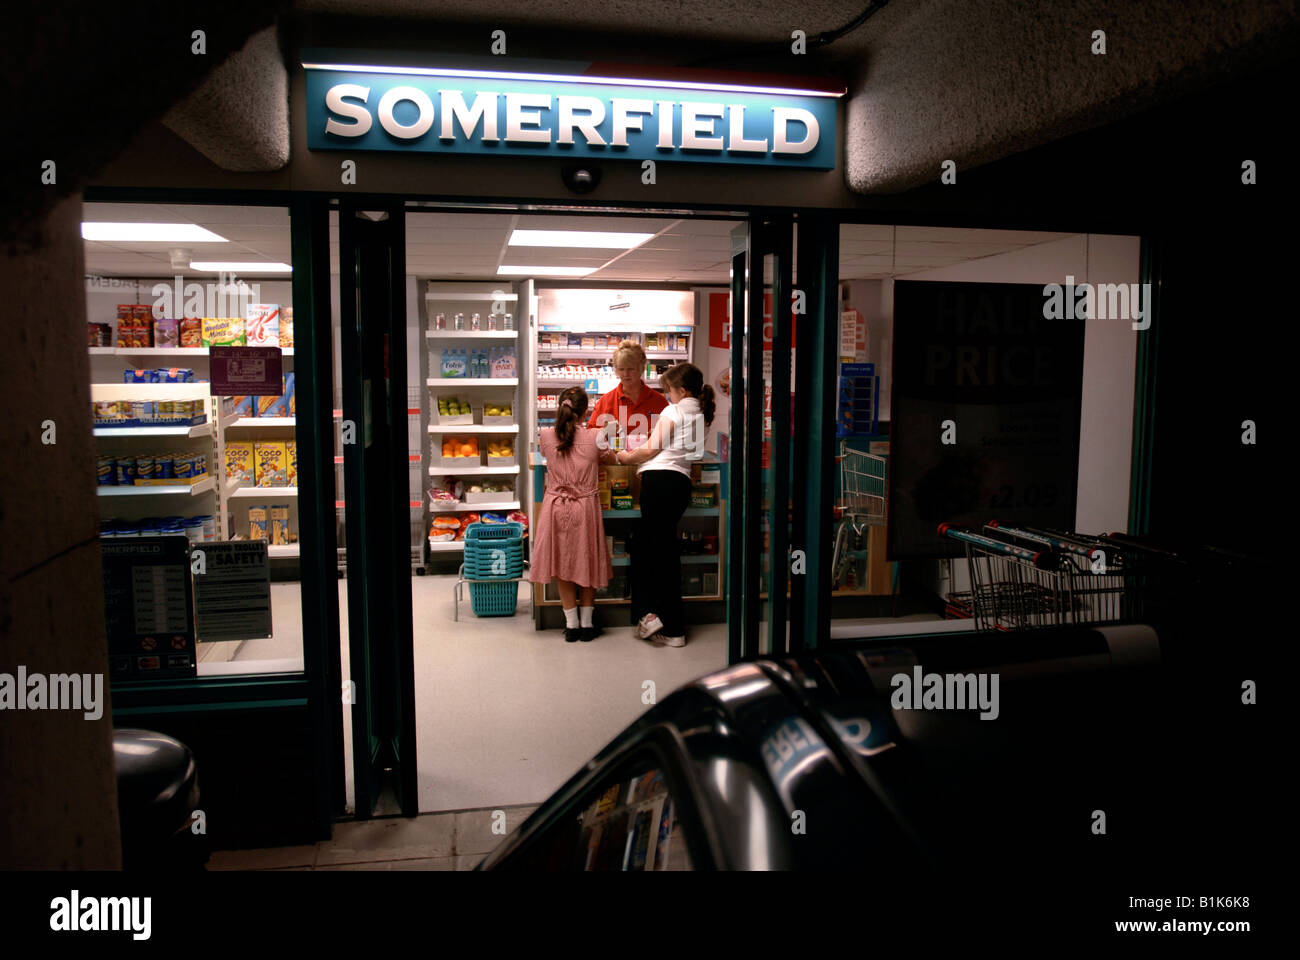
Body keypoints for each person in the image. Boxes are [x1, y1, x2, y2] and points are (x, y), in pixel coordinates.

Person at [613, 362, 715, 647]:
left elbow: (650, 449)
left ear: (681, 390)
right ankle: (669, 625)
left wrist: (623, 457)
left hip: (659, 484)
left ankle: (659, 621)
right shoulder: (701, 414)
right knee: (663, 550)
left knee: (653, 553)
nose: (667, 395)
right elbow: (692, 458)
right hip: (679, 485)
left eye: (669, 390)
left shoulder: (675, 410)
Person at [529, 386, 615, 642]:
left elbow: (547, 456)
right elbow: (610, 458)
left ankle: (572, 626)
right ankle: (588, 626)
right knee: (586, 563)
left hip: (556, 506)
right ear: (585, 411)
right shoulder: (596, 437)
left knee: (562, 565)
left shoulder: (546, 435)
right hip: (585, 507)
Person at [587, 339, 667, 450]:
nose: (625, 374)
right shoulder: (605, 402)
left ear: (642, 368)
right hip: (615, 465)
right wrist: (603, 431)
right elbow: (588, 437)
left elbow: (670, 439)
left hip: (651, 465)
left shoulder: (659, 402)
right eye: (621, 369)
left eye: (630, 369)